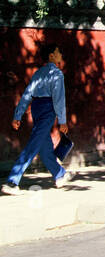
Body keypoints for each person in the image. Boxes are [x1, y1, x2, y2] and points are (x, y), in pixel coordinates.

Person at [2, 47, 70, 193]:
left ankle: (59, 174)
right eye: (58, 52)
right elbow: (59, 100)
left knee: (44, 145)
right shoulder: (57, 74)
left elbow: (27, 95)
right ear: (51, 56)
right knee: (34, 144)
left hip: (36, 108)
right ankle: (12, 181)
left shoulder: (38, 73)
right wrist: (62, 120)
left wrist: (17, 115)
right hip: (48, 108)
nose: (60, 54)